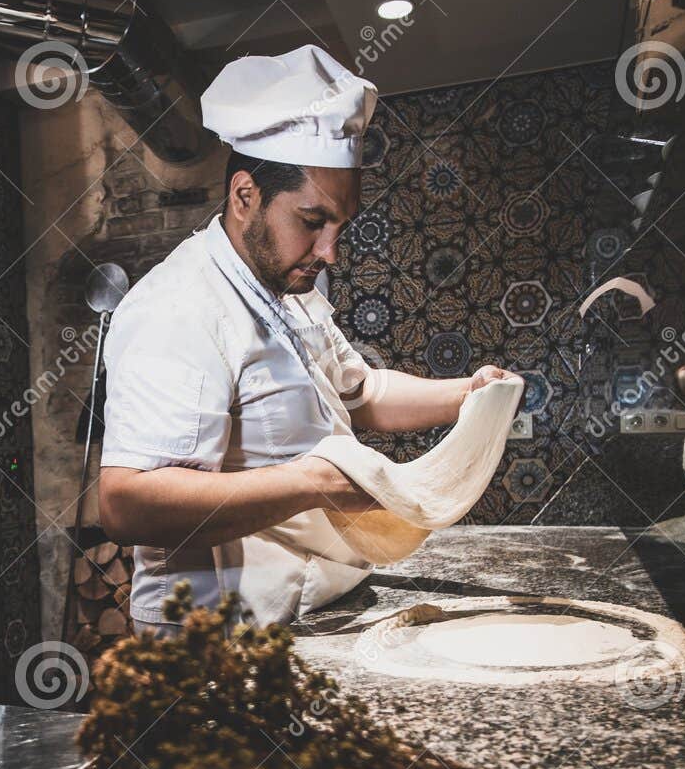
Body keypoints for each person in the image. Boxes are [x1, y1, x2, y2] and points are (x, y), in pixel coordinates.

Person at [97, 45, 519, 635]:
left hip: (311, 604)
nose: (330, 253)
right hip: (216, 638)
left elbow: (360, 391)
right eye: (313, 221)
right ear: (246, 196)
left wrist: (467, 394)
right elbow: (127, 503)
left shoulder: (287, 286)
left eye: (340, 225)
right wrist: (313, 481)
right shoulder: (178, 308)